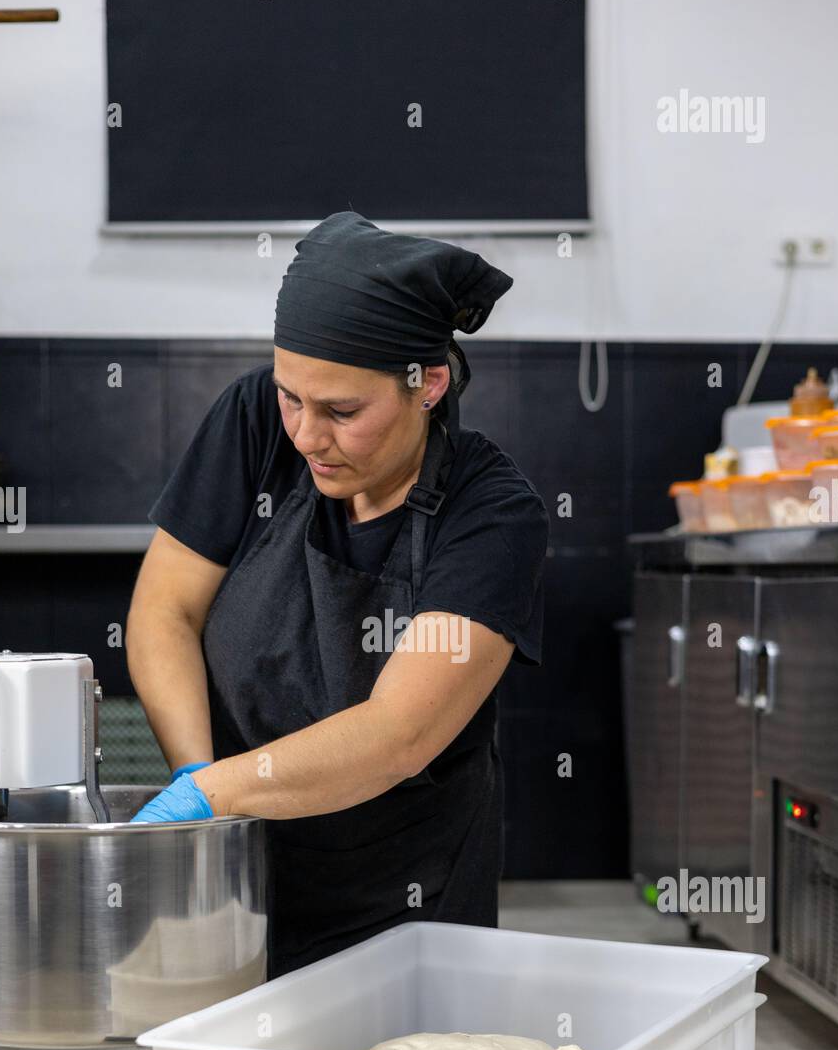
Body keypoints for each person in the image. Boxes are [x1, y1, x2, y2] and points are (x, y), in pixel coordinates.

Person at [126, 211, 548, 977]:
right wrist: (201, 790)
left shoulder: (490, 512)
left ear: (429, 386)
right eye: (293, 397)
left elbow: (398, 733)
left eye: (342, 413)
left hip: (405, 893)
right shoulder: (255, 419)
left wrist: (213, 798)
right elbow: (164, 612)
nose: (306, 435)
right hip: (242, 869)